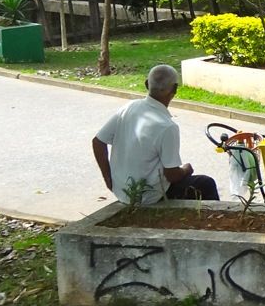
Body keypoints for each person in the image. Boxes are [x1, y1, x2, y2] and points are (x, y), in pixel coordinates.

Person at [92, 64, 220, 203]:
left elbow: (98, 142)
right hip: (149, 197)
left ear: (147, 84)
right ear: (175, 89)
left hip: (122, 192)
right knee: (206, 183)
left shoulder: (130, 107)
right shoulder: (167, 127)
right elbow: (172, 175)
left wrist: (109, 180)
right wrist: (186, 170)